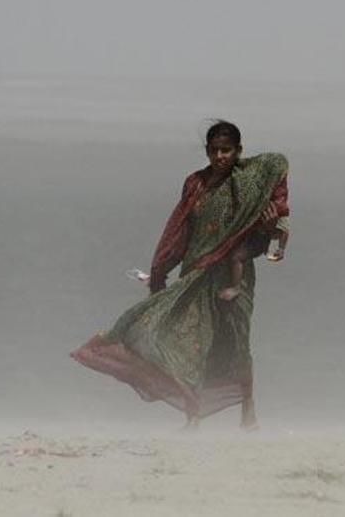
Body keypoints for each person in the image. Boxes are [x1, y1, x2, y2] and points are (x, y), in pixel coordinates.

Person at [71, 120, 289, 430]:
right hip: (195, 274)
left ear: (239, 151)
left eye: (227, 150)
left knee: (238, 342)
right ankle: (193, 416)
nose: (220, 157)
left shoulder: (250, 182)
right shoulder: (196, 184)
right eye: (214, 151)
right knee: (186, 343)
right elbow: (180, 229)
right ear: (207, 151)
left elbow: (274, 178)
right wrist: (161, 269)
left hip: (233, 277)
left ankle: (248, 410)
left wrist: (269, 227)